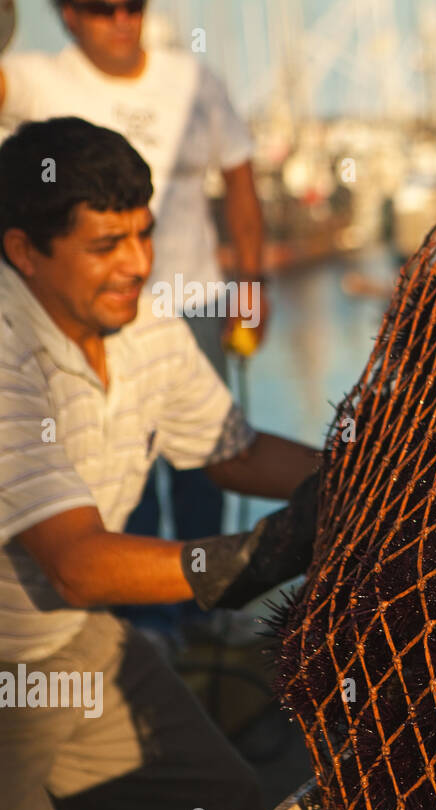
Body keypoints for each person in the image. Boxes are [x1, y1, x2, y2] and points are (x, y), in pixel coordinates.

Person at [0, 117, 318, 810]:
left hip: (75, 641)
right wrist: (252, 557)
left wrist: (364, 473)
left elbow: (232, 455)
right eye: (106, 246)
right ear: (24, 253)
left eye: (143, 236)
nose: (138, 265)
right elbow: (75, 561)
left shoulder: (142, 324)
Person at [0, 0, 270, 649]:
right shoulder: (35, 78)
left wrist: (251, 296)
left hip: (183, 305)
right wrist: (263, 555)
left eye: (133, 6)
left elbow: (240, 182)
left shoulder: (193, 78)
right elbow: (76, 562)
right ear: (65, 14)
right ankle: (147, 625)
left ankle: (203, 621)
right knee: (120, 484)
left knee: (204, 462)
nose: (121, 19)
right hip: (62, 314)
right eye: (100, 8)